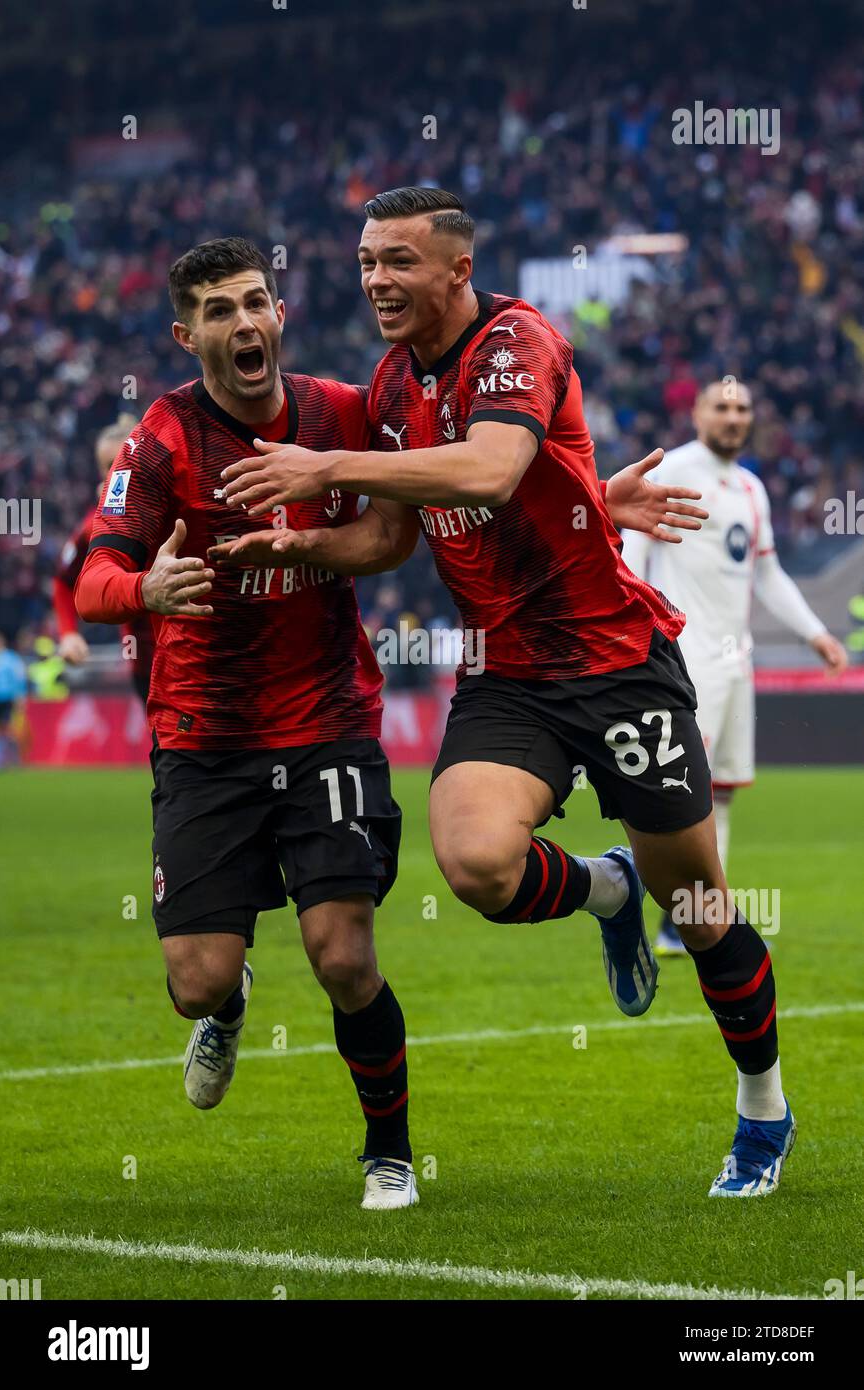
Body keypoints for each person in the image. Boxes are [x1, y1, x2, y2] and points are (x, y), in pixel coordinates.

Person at [214, 187, 795, 1198]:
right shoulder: (393, 382)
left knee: (699, 905)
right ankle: (605, 888)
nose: (375, 281)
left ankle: (761, 1107)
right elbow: (397, 533)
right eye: (363, 262)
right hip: (505, 670)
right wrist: (306, 542)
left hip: (612, 660)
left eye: (397, 261)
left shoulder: (516, 339)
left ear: (455, 270)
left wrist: (324, 467)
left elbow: (486, 472)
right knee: (476, 863)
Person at [75, 237, 416, 1210]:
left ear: (280, 314)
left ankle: (387, 1151)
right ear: (187, 335)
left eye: (254, 302)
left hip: (325, 722)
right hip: (204, 738)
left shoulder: (342, 415)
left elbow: (397, 534)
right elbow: (95, 573)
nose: (243, 322)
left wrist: (308, 535)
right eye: (219, 311)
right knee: (192, 979)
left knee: (344, 954)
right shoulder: (162, 438)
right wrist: (144, 583)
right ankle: (226, 1006)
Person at [621, 380, 848, 955]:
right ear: (697, 412)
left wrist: (815, 634)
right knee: (683, 794)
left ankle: (688, 918)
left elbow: (767, 574)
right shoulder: (671, 470)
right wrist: (629, 633)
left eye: (742, 408)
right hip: (684, 660)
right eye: (721, 406)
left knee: (720, 794)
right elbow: (632, 554)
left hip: (735, 662)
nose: (732, 416)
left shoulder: (750, 487)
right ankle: (667, 903)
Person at [53, 414, 155, 705]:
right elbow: (63, 580)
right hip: (146, 668)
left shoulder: (179, 501)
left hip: (196, 657)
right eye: (108, 466)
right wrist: (68, 634)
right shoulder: (95, 524)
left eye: (123, 461)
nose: (116, 472)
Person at [0, 631, 28, 768]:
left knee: (9, 729)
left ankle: (16, 759)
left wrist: (20, 696)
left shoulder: (11, 658)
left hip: (7, 698)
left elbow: (19, 679)